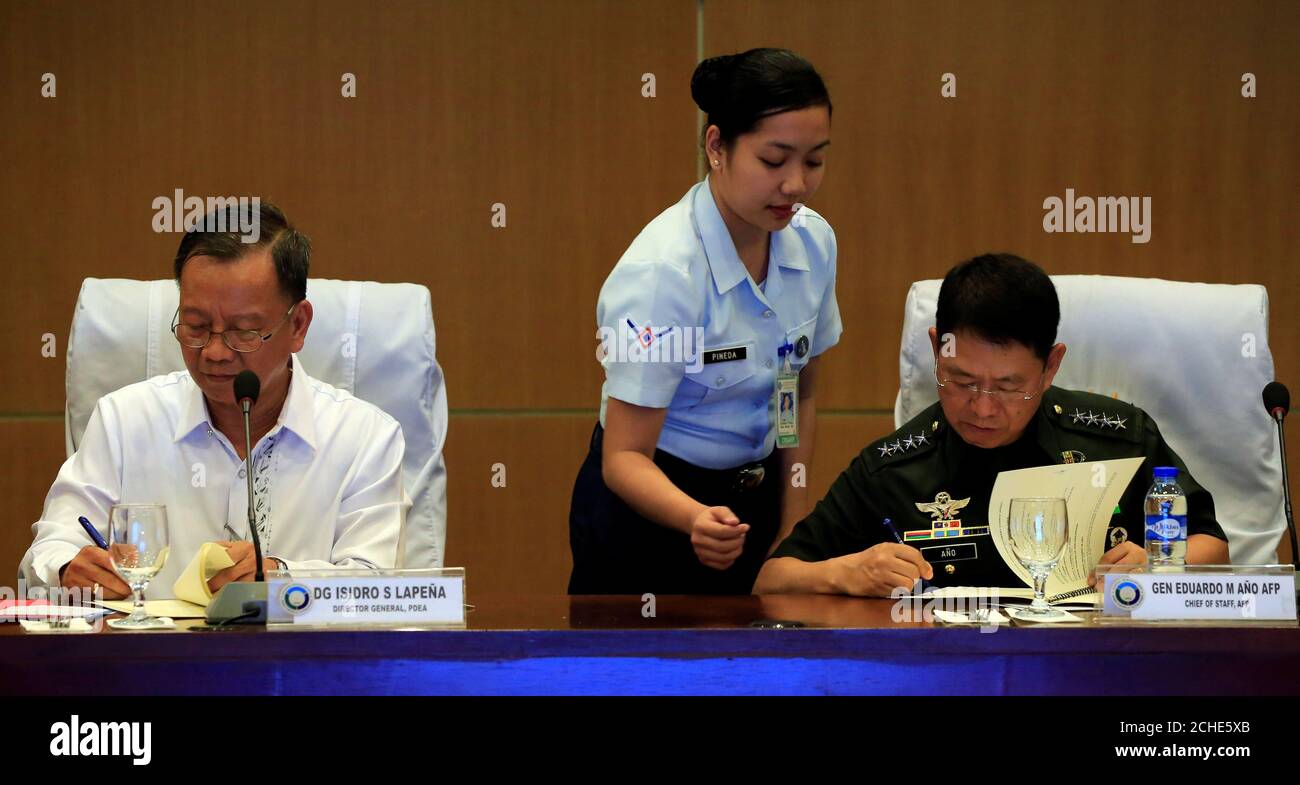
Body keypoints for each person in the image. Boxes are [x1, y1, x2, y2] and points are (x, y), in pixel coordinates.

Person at [754, 253, 1230, 596]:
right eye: (960, 380)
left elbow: (1214, 546)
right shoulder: (892, 468)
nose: (981, 409)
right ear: (938, 347)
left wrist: (1158, 565)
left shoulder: (1118, 438)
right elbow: (773, 578)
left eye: (1008, 387)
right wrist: (846, 572)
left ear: (1051, 366)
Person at [22, 202, 409, 600]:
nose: (215, 352)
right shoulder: (124, 420)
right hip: (149, 660)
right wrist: (69, 568)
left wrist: (280, 578)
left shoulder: (366, 439)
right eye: (196, 327)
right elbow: (49, 550)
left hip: (301, 662)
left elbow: (375, 587)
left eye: (244, 331)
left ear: (298, 325)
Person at [568, 48, 841, 594]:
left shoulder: (813, 242)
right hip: (652, 512)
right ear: (717, 147)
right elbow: (624, 458)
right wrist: (694, 517)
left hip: (753, 502)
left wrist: (793, 514)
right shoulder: (663, 274)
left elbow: (794, 392)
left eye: (813, 161)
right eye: (774, 160)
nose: (795, 185)